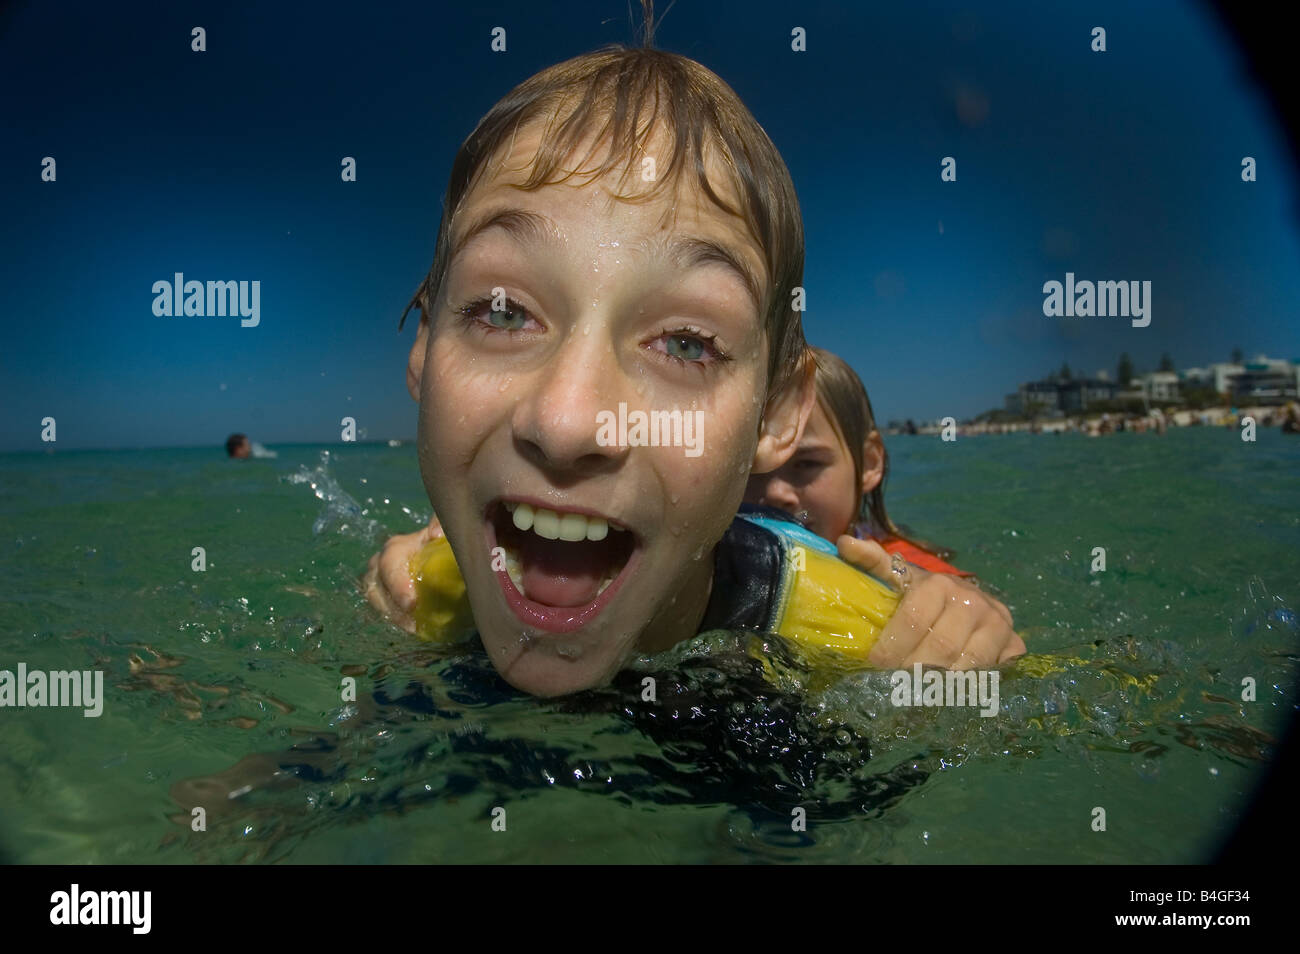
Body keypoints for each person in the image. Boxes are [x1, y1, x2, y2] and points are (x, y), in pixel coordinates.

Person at [372, 40, 1023, 697]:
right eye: (505, 314)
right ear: (424, 351)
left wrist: (970, 646)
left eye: (686, 343)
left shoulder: (855, 647)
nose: (566, 422)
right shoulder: (415, 597)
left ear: (775, 415)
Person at [743, 346, 971, 576]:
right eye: (752, 468)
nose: (775, 492)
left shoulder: (911, 577)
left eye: (807, 464)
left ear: (869, 464)